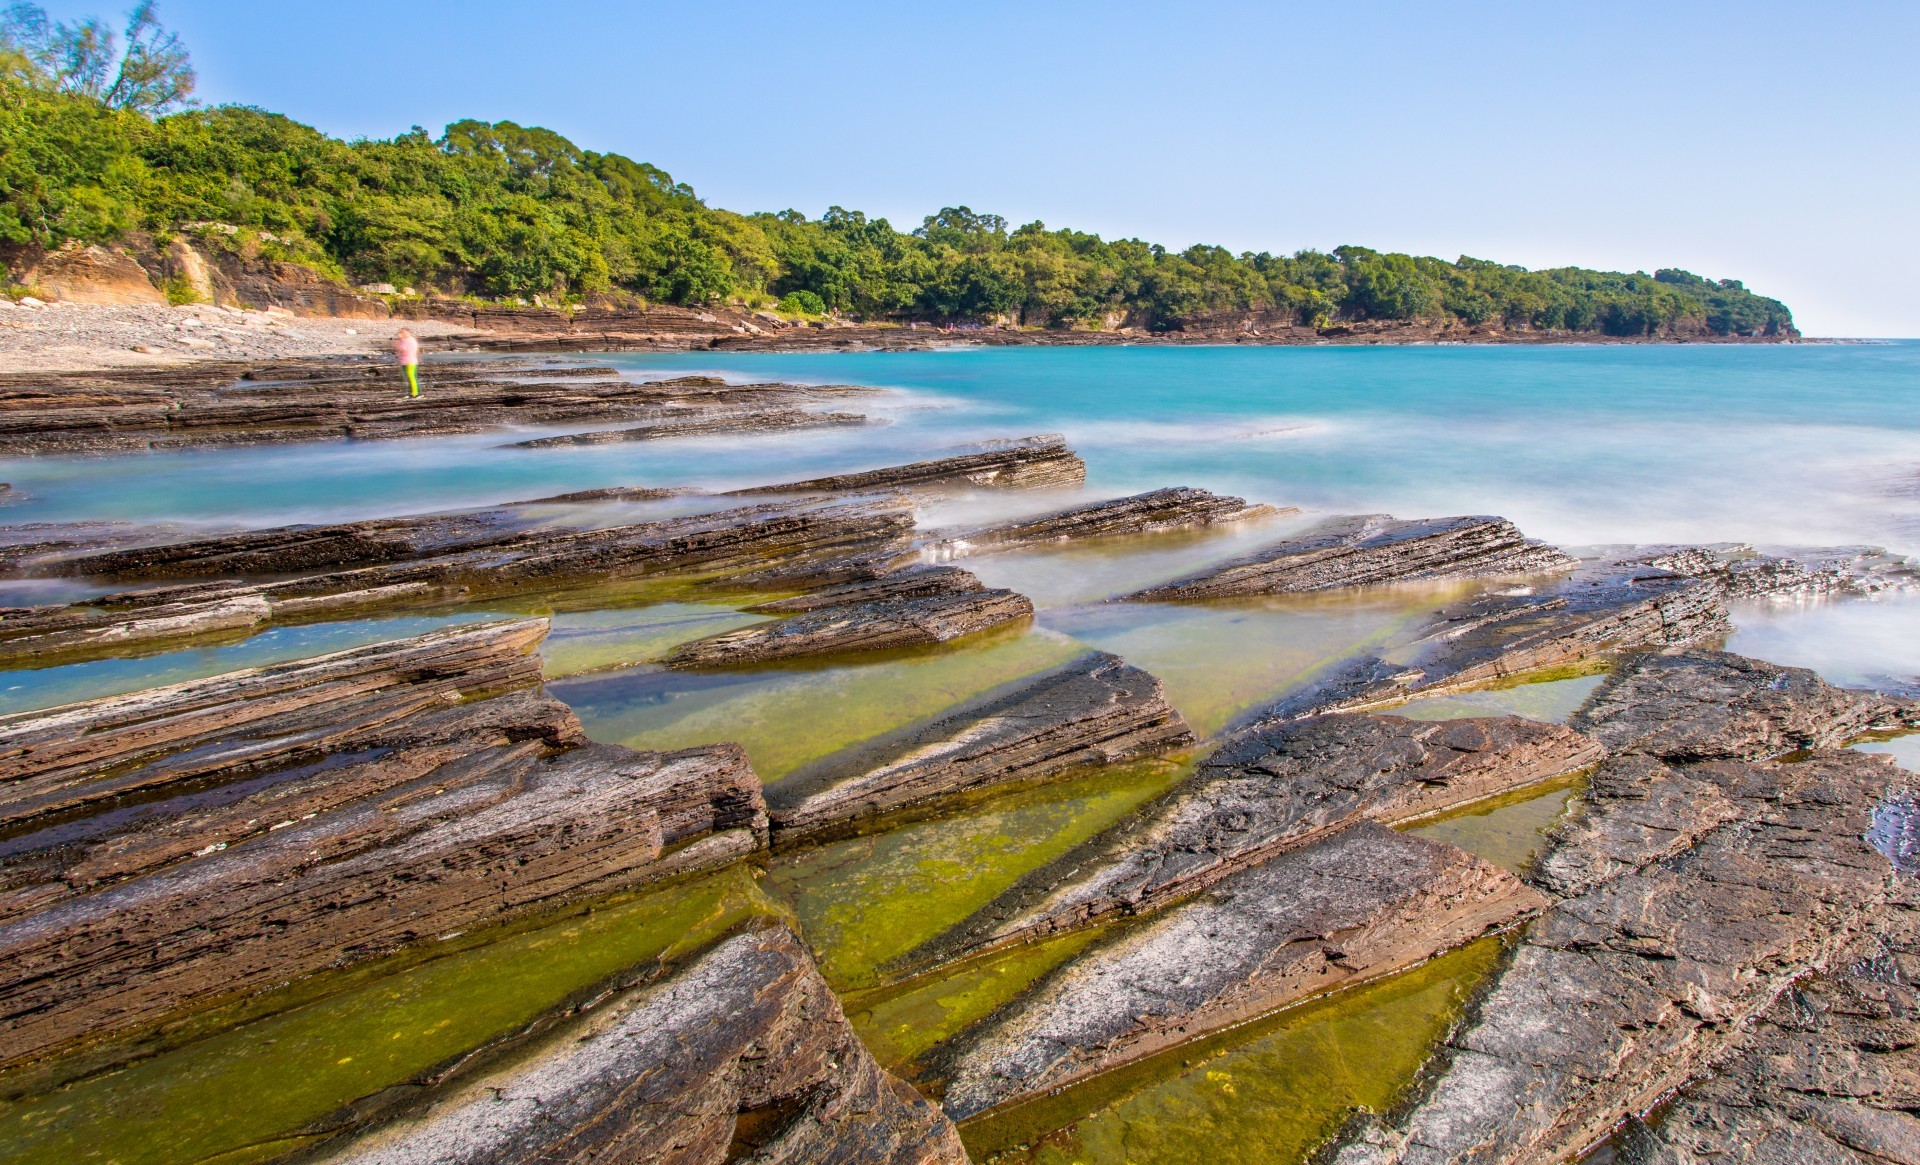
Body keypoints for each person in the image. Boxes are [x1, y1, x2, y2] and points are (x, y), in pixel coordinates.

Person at [392, 327, 421, 397]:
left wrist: (399, 343)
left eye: (403, 332)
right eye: (401, 332)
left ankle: (415, 393)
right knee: (407, 377)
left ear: (407, 333)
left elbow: (404, 350)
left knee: (411, 377)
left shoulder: (410, 340)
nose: (401, 334)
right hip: (404, 361)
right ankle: (411, 392)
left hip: (410, 361)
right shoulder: (403, 340)